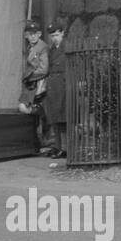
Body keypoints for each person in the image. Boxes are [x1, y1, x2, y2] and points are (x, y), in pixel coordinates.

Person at [42, 20, 67, 157]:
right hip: (53, 86)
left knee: (64, 118)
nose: (55, 38)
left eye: (57, 35)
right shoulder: (52, 50)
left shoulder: (66, 47)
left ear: (63, 33)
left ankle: (65, 148)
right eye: (52, 36)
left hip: (63, 85)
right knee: (54, 118)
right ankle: (58, 146)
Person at [19, 19, 49, 115]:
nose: (32, 36)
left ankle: (41, 113)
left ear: (39, 34)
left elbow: (43, 70)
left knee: (25, 106)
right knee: (23, 107)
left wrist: (28, 76)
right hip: (31, 83)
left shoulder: (42, 47)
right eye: (30, 34)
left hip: (38, 81)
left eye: (35, 34)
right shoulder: (29, 47)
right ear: (26, 36)